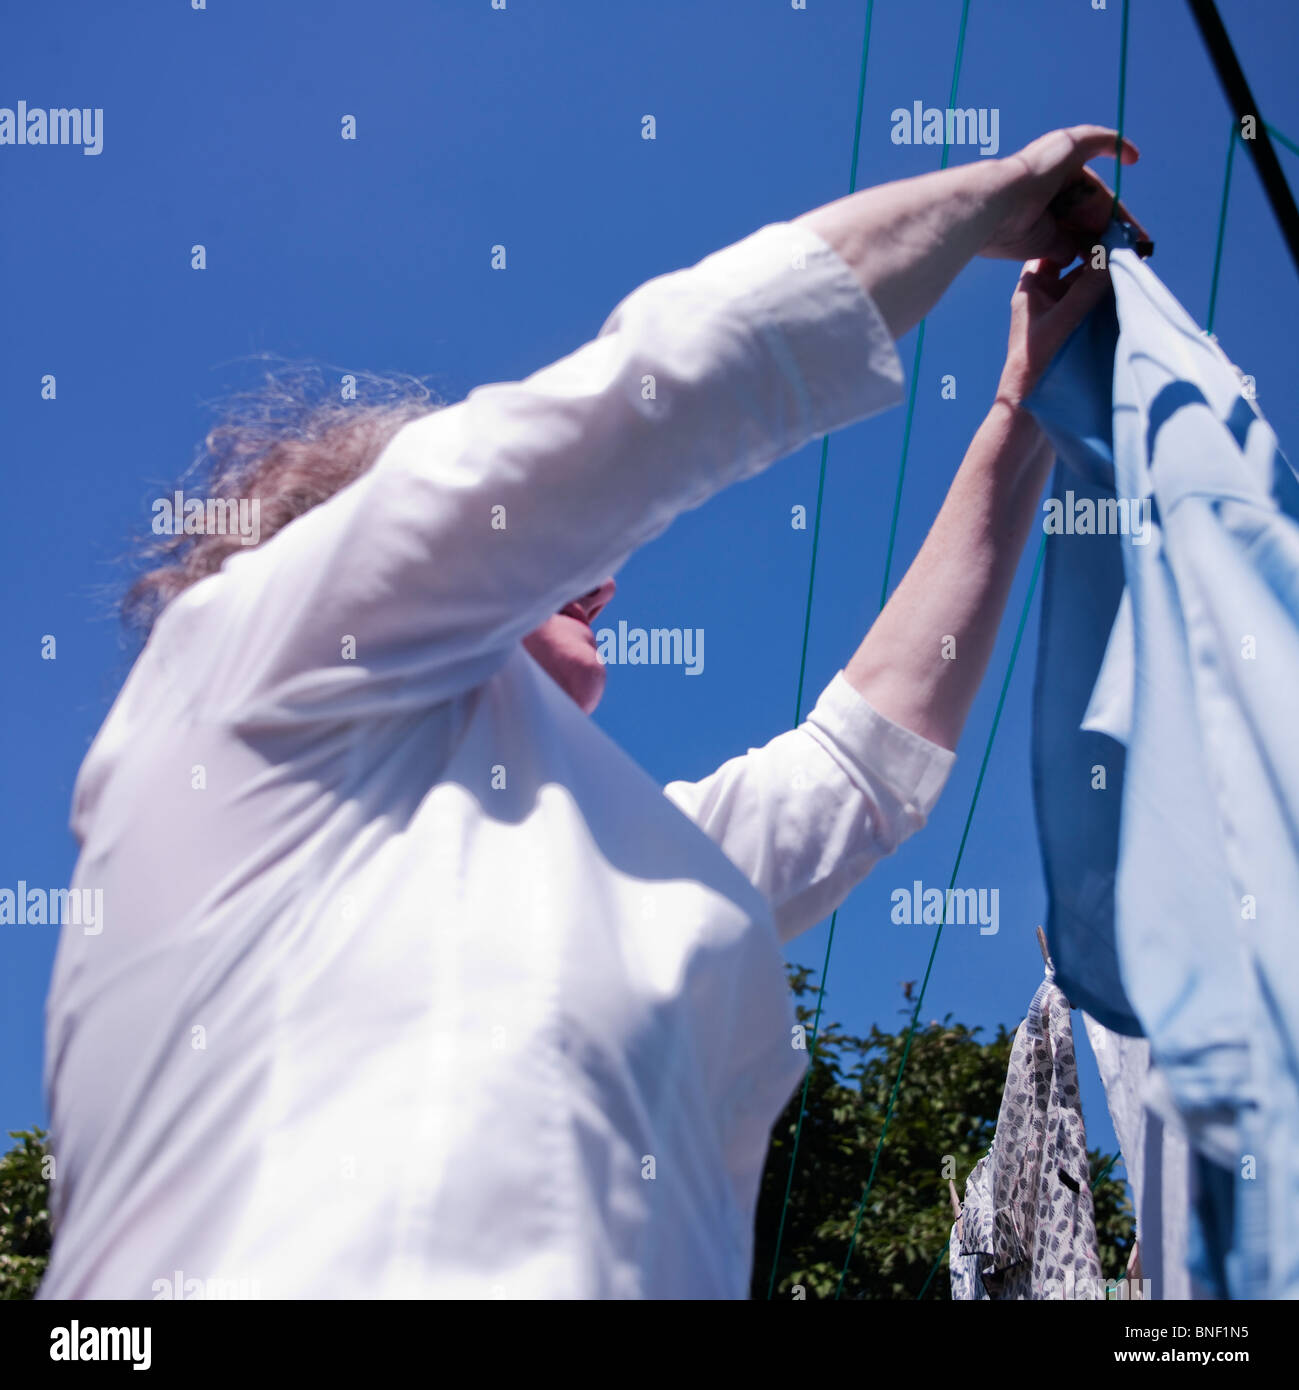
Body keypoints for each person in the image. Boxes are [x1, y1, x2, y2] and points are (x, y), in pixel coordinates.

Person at [39, 127, 1138, 1300]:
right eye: (547, 553)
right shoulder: (250, 662)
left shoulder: (620, 856)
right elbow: (664, 391)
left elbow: (853, 770)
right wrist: (989, 194)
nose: (606, 582)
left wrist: (1024, 407)